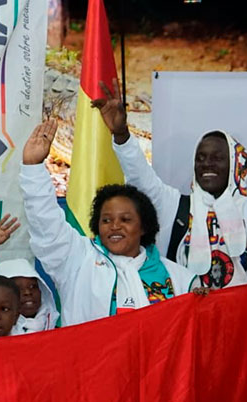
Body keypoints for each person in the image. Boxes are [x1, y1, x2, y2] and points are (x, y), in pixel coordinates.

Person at [91, 83, 247, 289]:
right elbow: (140, 177)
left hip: (245, 317)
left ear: (235, 164)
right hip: (186, 317)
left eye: (217, 158)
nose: (207, 163)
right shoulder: (176, 205)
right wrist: (122, 136)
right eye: (200, 158)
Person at [21, 119, 196, 324]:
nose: (115, 225)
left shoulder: (180, 279)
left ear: (144, 226)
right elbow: (46, 224)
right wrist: (32, 168)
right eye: (106, 220)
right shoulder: (77, 259)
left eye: (125, 219)